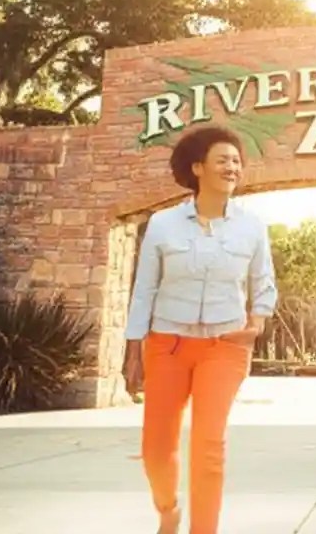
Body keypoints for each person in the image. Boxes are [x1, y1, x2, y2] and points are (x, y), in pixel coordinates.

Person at [122, 125, 278, 534]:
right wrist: (133, 346)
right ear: (197, 168)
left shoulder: (252, 227)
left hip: (224, 346)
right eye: (223, 160)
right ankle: (168, 509)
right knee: (156, 451)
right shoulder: (163, 224)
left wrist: (256, 324)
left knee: (209, 448)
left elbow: (263, 282)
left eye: (236, 161)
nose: (233, 167)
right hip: (167, 344)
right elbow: (145, 288)